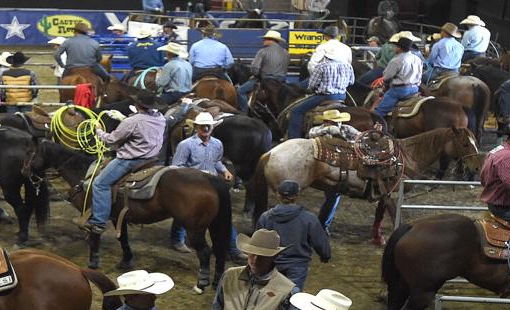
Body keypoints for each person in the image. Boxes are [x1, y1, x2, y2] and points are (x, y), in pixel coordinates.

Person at [86, 91, 167, 234]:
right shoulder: (160, 118)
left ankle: (98, 222)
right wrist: (124, 119)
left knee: (100, 184)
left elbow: (111, 140)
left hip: (130, 160)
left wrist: (98, 130)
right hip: (151, 159)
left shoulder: (132, 121)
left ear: (137, 105)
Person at [169, 111, 239, 255]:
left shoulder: (217, 144)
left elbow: (216, 161)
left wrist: (224, 170)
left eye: (208, 126)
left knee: (223, 214)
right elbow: (176, 167)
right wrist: (197, 175)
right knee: (183, 213)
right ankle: (177, 239)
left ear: (212, 127)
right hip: (192, 185)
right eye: (202, 126)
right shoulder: (186, 145)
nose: (206, 129)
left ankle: (232, 247)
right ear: (196, 127)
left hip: (211, 184)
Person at [256, 180, 331, 292]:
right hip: (297, 266)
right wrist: (325, 255)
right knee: (293, 298)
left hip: (271, 264)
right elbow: (319, 241)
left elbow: (258, 243)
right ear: (297, 195)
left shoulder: (265, 217)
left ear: (278, 195)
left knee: (270, 297)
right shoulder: (309, 218)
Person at [288, 35, 352, 139]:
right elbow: (351, 81)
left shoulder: (322, 66)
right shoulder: (347, 66)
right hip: (342, 96)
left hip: (324, 97)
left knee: (296, 111)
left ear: (326, 56)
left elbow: (312, 85)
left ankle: (293, 138)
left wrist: (315, 89)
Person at [371, 34, 423, 125]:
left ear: (399, 48)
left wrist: (384, 82)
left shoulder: (396, 60)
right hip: (415, 88)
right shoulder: (417, 59)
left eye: (395, 46)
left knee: (379, 112)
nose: (394, 48)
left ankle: (376, 127)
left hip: (399, 90)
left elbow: (387, 76)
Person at [239, 30, 290, 113]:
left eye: (265, 39)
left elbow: (255, 69)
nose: (263, 41)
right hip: (282, 80)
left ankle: (244, 112)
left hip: (266, 80)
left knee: (240, 91)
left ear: (270, 40)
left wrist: (256, 74)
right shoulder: (286, 52)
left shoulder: (263, 51)